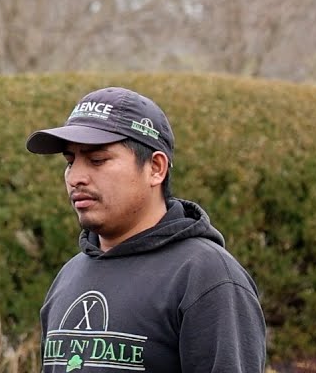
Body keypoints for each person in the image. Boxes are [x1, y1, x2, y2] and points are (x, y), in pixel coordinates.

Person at [25, 86, 267, 372]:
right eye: (69, 162)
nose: (75, 177)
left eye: (97, 160)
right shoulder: (69, 276)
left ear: (156, 168)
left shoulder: (206, 278)